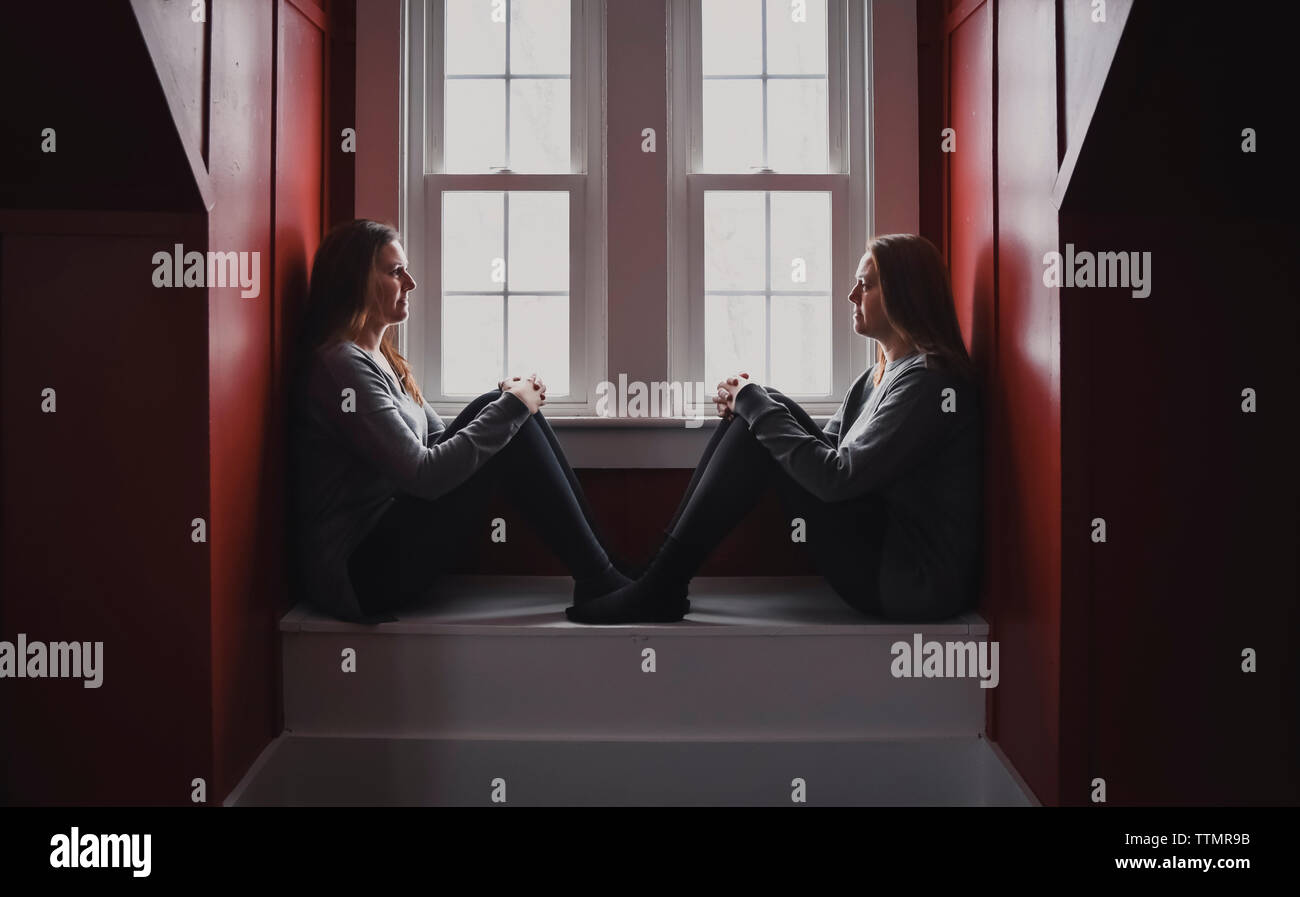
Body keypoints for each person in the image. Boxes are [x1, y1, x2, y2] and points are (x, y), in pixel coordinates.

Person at [566, 233, 983, 625]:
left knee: (762, 411)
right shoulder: (877, 376)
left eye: (867, 285)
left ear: (905, 294)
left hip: (908, 583)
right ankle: (659, 578)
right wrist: (754, 404)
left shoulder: (929, 383)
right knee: (768, 403)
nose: (852, 295)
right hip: (883, 557)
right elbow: (826, 448)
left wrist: (751, 405)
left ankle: (661, 585)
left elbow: (835, 479)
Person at [287, 219, 632, 623]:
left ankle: (605, 567)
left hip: (386, 547)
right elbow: (425, 474)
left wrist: (505, 398)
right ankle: (599, 577)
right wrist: (511, 405)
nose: (411, 283)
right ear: (357, 281)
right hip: (361, 573)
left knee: (504, 409)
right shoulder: (341, 367)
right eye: (396, 271)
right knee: (507, 414)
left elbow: (437, 438)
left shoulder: (382, 360)